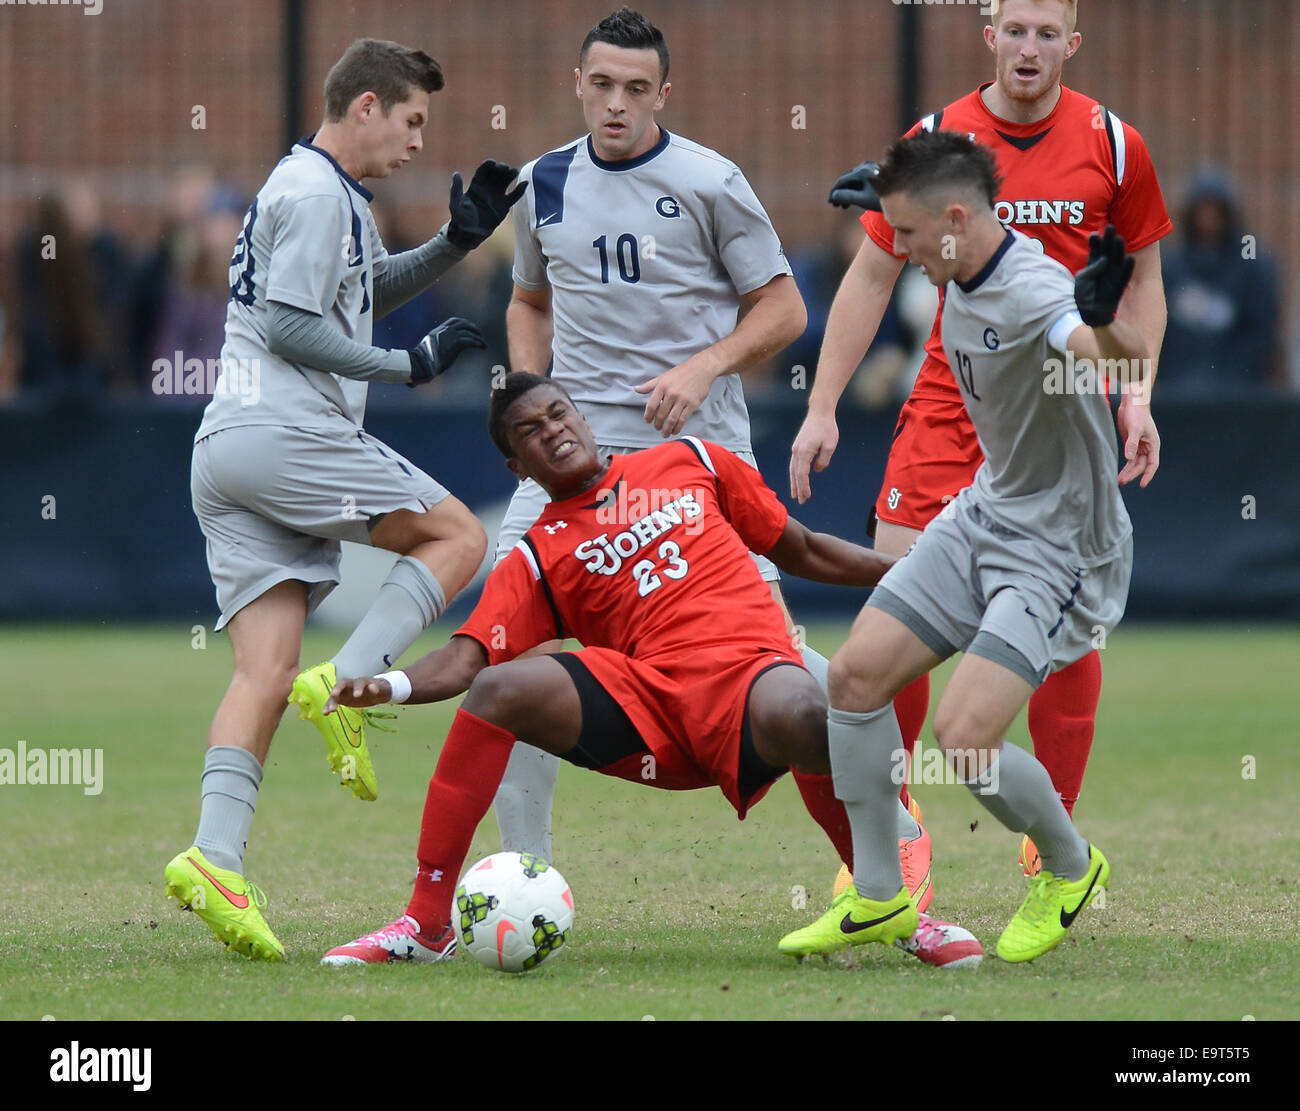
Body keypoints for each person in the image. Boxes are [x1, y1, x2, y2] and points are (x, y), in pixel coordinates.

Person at [317, 372, 983, 970]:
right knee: (499, 687)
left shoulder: (691, 460)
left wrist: (910, 574)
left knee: (812, 715)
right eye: (532, 431)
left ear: (583, 419)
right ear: (518, 465)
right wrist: (391, 683)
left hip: (748, 675)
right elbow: (465, 659)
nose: (553, 431)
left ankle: (892, 908)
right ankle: (427, 923)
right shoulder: (538, 554)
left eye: (559, 414)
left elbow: (802, 549)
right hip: (648, 706)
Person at [494, 8, 930, 908]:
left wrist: (703, 366)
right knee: (506, 662)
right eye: (602, 85)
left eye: (636, 89)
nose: (617, 104)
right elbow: (529, 302)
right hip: (577, 463)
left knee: (774, 662)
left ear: (664, 93)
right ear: (578, 84)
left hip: (693, 455)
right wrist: (533, 403)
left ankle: (890, 851)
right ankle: (515, 883)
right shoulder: (543, 183)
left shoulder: (707, 180)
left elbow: (783, 310)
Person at [789, 0, 1169, 890]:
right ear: (987, 34)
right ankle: (901, 827)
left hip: (1061, 387)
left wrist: (1136, 392)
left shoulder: (1116, 145)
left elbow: (1140, 285)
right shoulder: (936, 140)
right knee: (896, 598)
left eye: (1048, 33)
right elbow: (872, 271)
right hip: (952, 396)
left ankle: (1054, 831)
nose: (1029, 47)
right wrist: (825, 405)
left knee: (1062, 631)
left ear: (1071, 44)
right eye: (1015, 29)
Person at [164, 38, 526, 961]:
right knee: (455, 537)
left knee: (263, 671)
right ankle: (355, 681)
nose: (416, 144)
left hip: (227, 448)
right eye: (411, 122)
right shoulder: (322, 192)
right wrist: (406, 367)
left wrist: (454, 244)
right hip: (284, 431)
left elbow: (351, 297)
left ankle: (214, 857)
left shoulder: (312, 187)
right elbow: (292, 326)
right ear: (365, 106)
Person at [1158, 166, 1280, 397]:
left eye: (1215, 210)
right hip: (1178, 391)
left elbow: (1261, 334)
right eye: (1202, 210)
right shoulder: (1171, 267)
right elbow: (1160, 331)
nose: (1209, 218)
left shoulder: (1253, 267)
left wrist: (1232, 378)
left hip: (1239, 391)